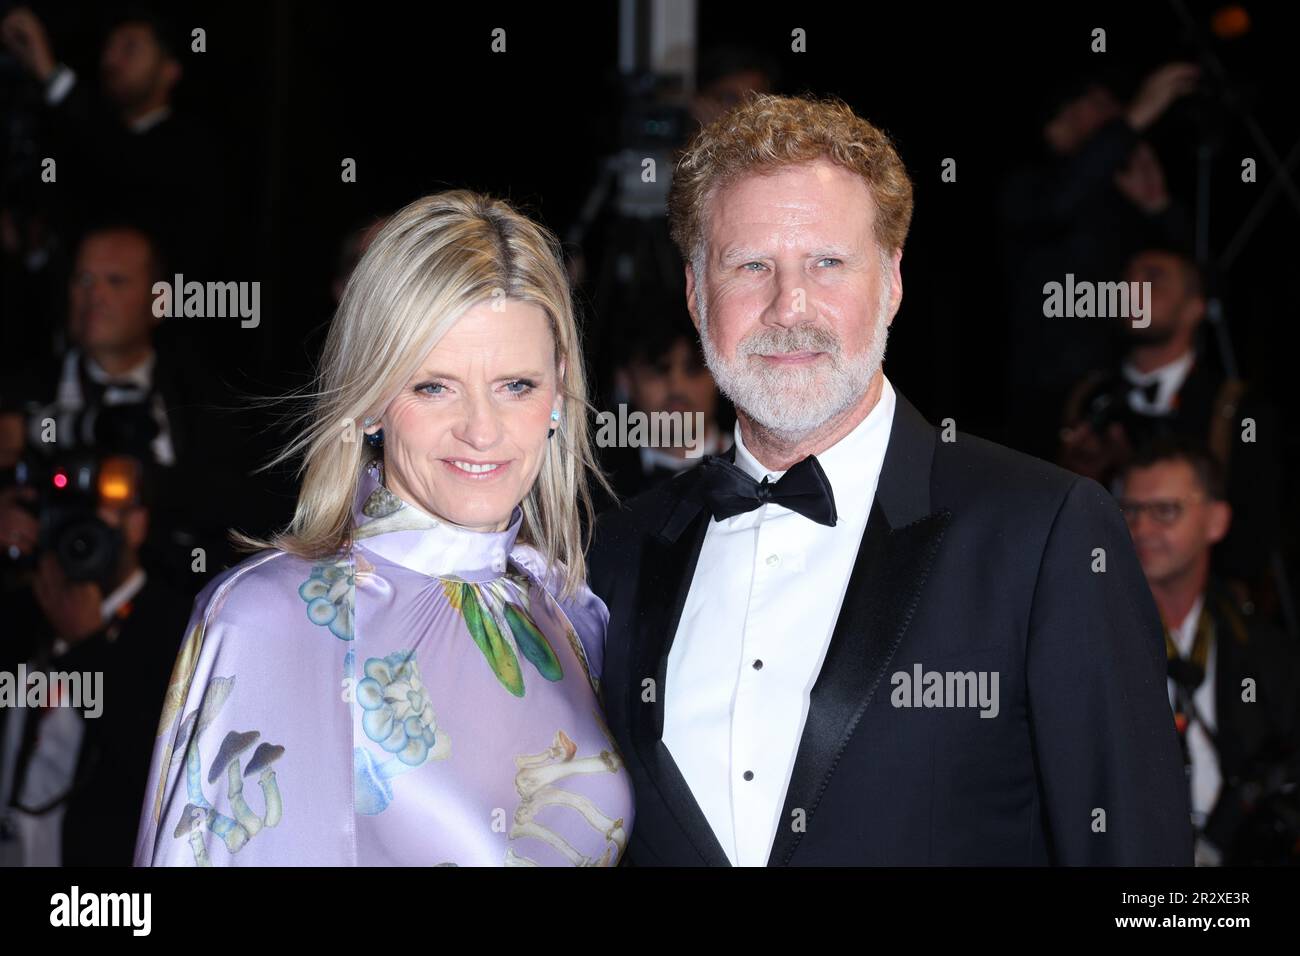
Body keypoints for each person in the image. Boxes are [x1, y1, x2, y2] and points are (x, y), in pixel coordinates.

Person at [589, 93, 1191, 866]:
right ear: (695, 293)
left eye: (827, 263)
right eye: (750, 266)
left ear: (895, 282)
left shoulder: (1045, 533)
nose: (788, 306)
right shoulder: (618, 551)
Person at [133, 191, 633, 866]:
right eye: (434, 386)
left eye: (515, 384)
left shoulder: (568, 607)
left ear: (560, 387)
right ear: (370, 397)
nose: (482, 430)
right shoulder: (274, 618)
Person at [1059, 245, 1282, 612]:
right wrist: (1081, 476)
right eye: (1127, 278)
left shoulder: (1234, 409)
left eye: (1154, 279)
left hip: (1196, 612)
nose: (1132, 289)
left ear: (1196, 307)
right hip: (1092, 602)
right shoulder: (1085, 396)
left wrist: (1136, 472)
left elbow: (1251, 547)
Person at [0, 454, 191, 866]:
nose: (80, 539)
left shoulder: (177, 625)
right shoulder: (26, 604)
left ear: (138, 523)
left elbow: (159, 768)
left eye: (100, 524)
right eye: (68, 521)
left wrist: (88, 648)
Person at [1116, 439, 1299, 865]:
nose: (1141, 530)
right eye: (1129, 511)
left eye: (1165, 511)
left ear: (1216, 521)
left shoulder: (1265, 650)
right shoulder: (1083, 637)